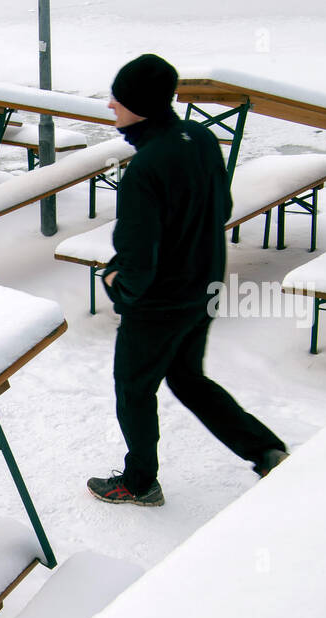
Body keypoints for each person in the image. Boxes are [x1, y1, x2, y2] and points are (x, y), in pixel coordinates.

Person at [87, 53, 288, 507]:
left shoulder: (144, 168)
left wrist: (119, 286)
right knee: (187, 378)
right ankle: (266, 451)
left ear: (140, 104)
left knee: (135, 388)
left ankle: (140, 482)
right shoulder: (198, 137)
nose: (111, 106)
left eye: (118, 98)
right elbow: (223, 208)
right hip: (203, 288)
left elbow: (138, 254)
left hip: (158, 304)